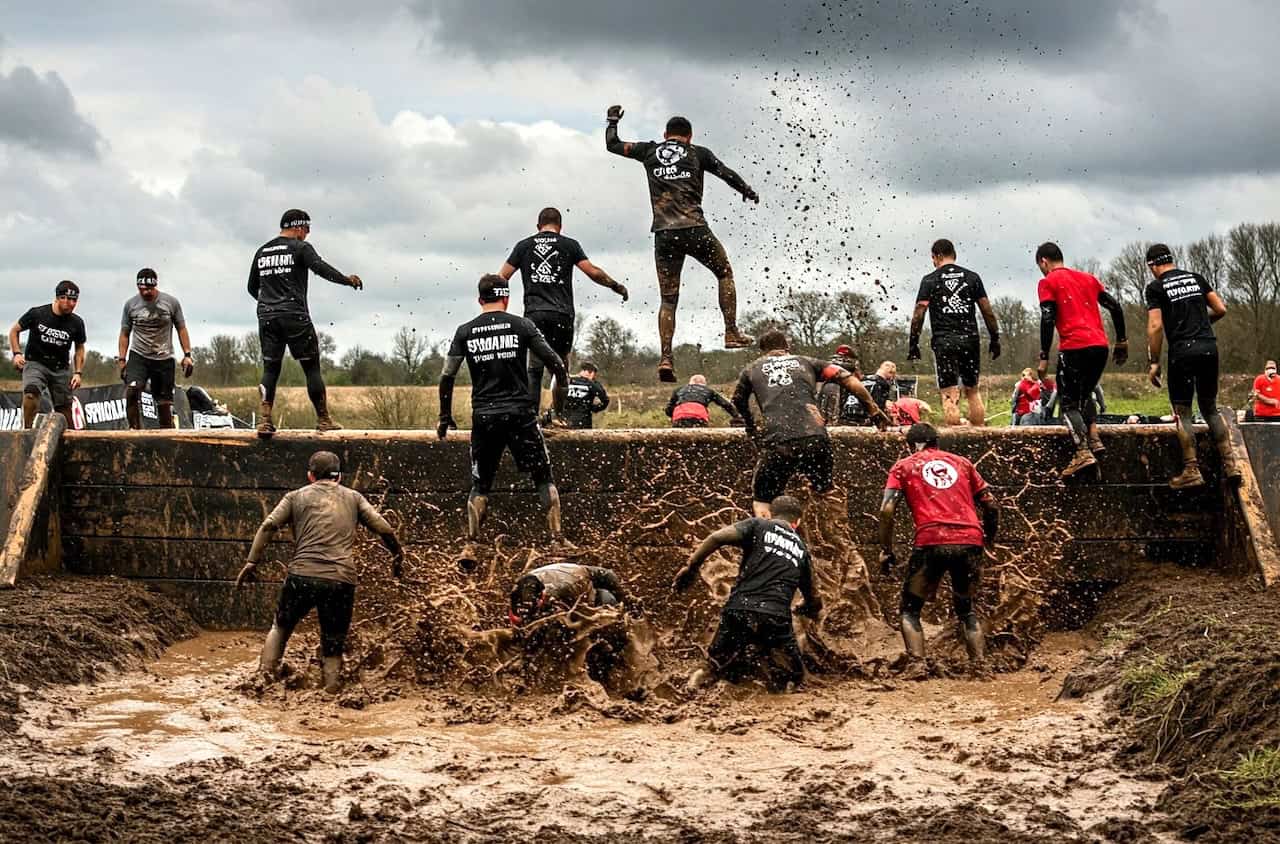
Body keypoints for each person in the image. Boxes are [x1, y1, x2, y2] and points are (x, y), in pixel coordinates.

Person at [605, 105, 758, 382]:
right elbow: (726, 173)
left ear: (666, 135)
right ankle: (731, 331)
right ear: (689, 136)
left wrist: (612, 120)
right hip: (694, 228)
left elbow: (613, 144)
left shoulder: (649, 151)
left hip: (664, 234)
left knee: (668, 299)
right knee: (724, 272)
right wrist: (746, 189)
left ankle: (666, 358)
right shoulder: (699, 153)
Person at [234, 451, 403, 694]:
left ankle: (262, 680)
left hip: (301, 575)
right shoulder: (354, 498)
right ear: (340, 477)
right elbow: (383, 527)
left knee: (280, 627)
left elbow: (269, 525)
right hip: (340, 580)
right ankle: (331, 692)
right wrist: (398, 556)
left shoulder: (295, 497)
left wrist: (252, 562)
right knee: (333, 643)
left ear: (310, 476)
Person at [438, 275, 571, 566]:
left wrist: (444, 416)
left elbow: (447, 376)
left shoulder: (465, 331)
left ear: (479, 299)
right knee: (543, 478)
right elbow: (556, 364)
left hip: (484, 416)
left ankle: (471, 546)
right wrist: (557, 404)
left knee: (480, 484)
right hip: (521, 415)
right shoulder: (522, 325)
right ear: (507, 298)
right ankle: (557, 541)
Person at [732, 330, 890, 518]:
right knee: (826, 492)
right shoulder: (807, 362)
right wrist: (873, 409)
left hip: (779, 441)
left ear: (763, 351)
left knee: (762, 499)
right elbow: (848, 379)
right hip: (815, 438)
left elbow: (738, 401)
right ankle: (840, 538)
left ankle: (767, 540)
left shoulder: (752, 369)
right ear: (787, 348)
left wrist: (750, 426)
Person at [672, 495, 821, 691]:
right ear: (797, 522)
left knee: (713, 666)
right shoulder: (801, 549)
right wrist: (804, 609)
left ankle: (691, 689)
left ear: (769, 514)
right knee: (794, 676)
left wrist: (690, 568)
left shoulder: (758, 525)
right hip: (775, 619)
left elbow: (716, 538)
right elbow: (814, 599)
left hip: (738, 610)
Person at [879, 423, 998, 665]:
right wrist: (988, 540)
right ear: (936, 443)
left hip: (931, 540)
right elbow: (991, 504)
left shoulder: (903, 466)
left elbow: (887, 509)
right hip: (970, 540)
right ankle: (979, 665)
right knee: (966, 609)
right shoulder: (962, 463)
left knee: (910, 609)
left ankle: (917, 665)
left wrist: (886, 550)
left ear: (911, 446)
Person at [247, 209, 363, 437]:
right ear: (298, 227)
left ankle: (264, 421)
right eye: (307, 229)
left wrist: (269, 303)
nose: (308, 234)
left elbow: (252, 287)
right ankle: (323, 419)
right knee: (311, 367)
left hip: (267, 317)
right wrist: (347, 280)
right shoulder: (300, 248)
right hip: (294, 315)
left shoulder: (262, 251)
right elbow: (320, 268)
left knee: (270, 368)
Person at [498, 208, 628, 412]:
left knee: (534, 368)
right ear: (560, 226)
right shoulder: (569, 244)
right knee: (560, 368)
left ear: (538, 226)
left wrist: (498, 308)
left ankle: (532, 420)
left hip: (534, 314)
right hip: (562, 314)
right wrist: (615, 285)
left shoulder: (523, 246)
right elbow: (592, 272)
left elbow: (501, 277)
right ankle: (558, 415)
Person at [1144, 244, 1240, 487]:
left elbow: (1155, 327)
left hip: (1182, 351)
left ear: (1153, 265)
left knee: (1182, 411)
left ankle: (1191, 470)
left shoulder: (1156, 287)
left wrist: (1154, 361)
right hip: (1209, 347)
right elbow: (1220, 308)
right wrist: (1200, 323)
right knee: (1210, 408)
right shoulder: (1195, 278)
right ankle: (1231, 466)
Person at [1035, 242, 1128, 477]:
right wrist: (1122, 340)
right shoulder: (1088, 278)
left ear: (1044, 262)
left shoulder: (1048, 282)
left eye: (1041, 267)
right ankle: (1095, 438)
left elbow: (1047, 318)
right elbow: (1115, 306)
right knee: (1084, 394)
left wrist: (1044, 356)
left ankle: (1082, 452)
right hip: (1100, 346)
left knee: (1067, 403)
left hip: (1074, 347)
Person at [908, 239, 1001, 427]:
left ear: (937, 256)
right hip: (970, 340)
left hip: (945, 341)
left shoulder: (930, 280)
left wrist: (913, 342)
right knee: (972, 391)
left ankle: (956, 443)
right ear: (954, 255)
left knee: (950, 393)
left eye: (933, 259)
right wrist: (994, 337)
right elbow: (987, 310)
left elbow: (919, 312)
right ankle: (979, 437)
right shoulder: (972, 277)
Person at [116, 268, 193, 430]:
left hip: (164, 357)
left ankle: (167, 437)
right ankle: (134, 430)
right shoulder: (131, 305)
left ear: (155, 286)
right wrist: (122, 359)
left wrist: (187, 354)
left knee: (164, 404)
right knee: (132, 390)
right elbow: (124, 334)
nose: (146, 293)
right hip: (139, 355)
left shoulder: (170, 302)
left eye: (149, 289)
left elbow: (181, 328)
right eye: (142, 289)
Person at [8, 280, 86, 429]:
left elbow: (80, 348)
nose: (71, 303)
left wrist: (78, 372)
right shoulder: (37, 314)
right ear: (58, 298)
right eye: (68, 299)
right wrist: (17, 354)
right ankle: (27, 430)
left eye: (74, 300)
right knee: (31, 392)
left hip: (60, 368)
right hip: (36, 363)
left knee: (64, 410)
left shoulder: (77, 322)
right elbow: (14, 331)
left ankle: (66, 444)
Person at [508, 563, 630, 626]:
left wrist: (624, 598)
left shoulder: (572, 582)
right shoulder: (520, 594)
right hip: (569, 588)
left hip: (582, 583)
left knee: (607, 603)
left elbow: (607, 575)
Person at [666, 374, 742, 428]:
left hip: (679, 417)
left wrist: (676, 415)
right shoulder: (709, 390)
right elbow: (726, 405)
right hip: (699, 417)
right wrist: (737, 417)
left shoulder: (679, 390)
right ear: (704, 384)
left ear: (689, 383)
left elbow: (668, 410)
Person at [818, 345, 865, 426]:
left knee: (824, 412)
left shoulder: (828, 363)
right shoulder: (851, 364)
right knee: (833, 413)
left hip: (828, 386)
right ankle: (831, 423)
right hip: (837, 387)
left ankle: (827, 423)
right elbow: (858, 376)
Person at [562, 362, 610, 430]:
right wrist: (594, 408)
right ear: (592, 373)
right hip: (583, 422)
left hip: (565, 421)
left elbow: (557, 398)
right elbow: (605, 400)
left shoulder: (568, 381)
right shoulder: (592, 384)